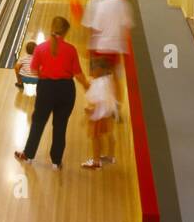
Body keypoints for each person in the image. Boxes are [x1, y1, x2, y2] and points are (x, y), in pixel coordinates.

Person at [14, 17, 89, 170]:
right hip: (66, 90)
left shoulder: (40, 48)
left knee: (38, 122)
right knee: (60, 126)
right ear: (66, 32)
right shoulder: (71, 50)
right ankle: (56, 161)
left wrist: (44, 73)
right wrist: (88, 86)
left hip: (46, 89)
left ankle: (28, 155)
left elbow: (34, 69)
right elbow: (78, 74)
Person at [82, 55, 119, 169]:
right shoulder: (108, 79)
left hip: (98, 114)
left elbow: (96, 99)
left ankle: (96, 162)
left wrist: (89, 110)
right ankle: (111, 156)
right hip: (109, 112)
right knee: (109, 133)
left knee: (95, 137)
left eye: (93, 69)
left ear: (99, 70)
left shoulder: (98, 83)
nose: (91, 71)